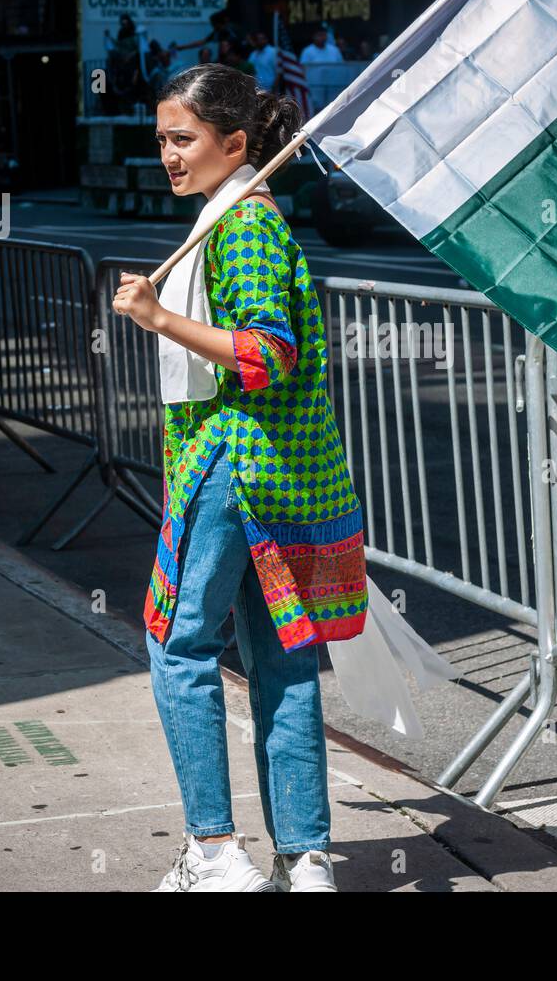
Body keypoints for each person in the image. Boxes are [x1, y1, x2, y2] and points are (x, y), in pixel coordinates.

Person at [112, 63, 368, 893]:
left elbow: (267, 354)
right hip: (276, 471)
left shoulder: (245, 228)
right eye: (160, 140)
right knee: (282, 656)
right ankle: (307, 857)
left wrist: (158, 318)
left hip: (236, 462)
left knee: (177, 643)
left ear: (234, 143)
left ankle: (215, 852)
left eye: (183, 140)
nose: (168, 156)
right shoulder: (237, 216)